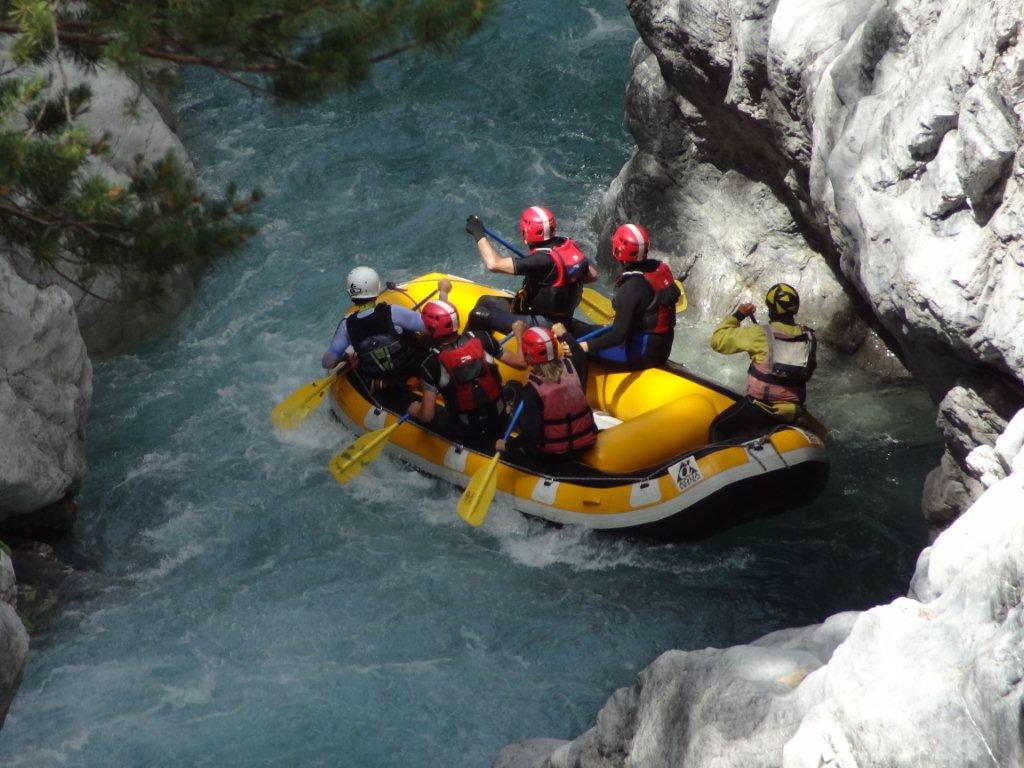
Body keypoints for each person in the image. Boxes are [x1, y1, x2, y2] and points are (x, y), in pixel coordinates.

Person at [463, 206, 598, 333]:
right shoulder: (567, 245)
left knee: (478, 315)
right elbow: (593, 275)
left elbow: (494, 264)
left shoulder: (541, 261)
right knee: (486, 300)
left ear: (526, 231)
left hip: (544, 323)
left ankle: (473, 352)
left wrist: (477, 231)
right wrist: (562, 283)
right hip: (562, 318)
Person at [408, 299, 527, 439]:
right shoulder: (483, 338)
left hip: (466, 430)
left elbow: (427, 416)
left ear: (431, 328)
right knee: (514, 385)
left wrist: (416, 411)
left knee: (434, 414)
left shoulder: (430, 364)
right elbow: (521, 363)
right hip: (498, 421)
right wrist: (519, 335)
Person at [709, 282, 817, 435]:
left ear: (771, 309)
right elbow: (808, 371)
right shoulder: (810, 337)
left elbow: (717, 341)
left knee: (716, 428)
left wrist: (739, 315)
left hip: (760, 409)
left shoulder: (759, 334)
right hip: (793, 410)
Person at [577, 224, 679, 370]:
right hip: (662, 345)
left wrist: (583, 347)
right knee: (581, 330)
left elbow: (617, 336)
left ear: (617, 249)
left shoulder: (630, 287)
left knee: (575, 348)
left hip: (644, 352)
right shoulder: (660, 270)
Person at [496, 323, 598, 459]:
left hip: (554, 454)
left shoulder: (532, 390)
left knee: (513, 389)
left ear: (528, 355)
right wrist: (564, 335)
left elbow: (530, 436)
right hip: (587, 442)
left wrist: (507, 446)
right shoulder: (571, 365)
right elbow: (579, 352)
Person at [322, 267, 427, 389]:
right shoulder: (394, 312)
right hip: (410, 369)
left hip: (379, 378)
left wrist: (345, 356)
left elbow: (327, 363)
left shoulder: (346, 326)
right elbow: (429, 329)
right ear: (376, 288)